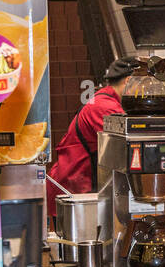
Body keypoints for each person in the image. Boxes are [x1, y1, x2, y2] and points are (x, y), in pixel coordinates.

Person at [46, 56, 136, 218]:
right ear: (128, 81)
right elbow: (126, 145)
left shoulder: (106, 100)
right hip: (74, 188)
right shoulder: (105, 107)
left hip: (78, 185)